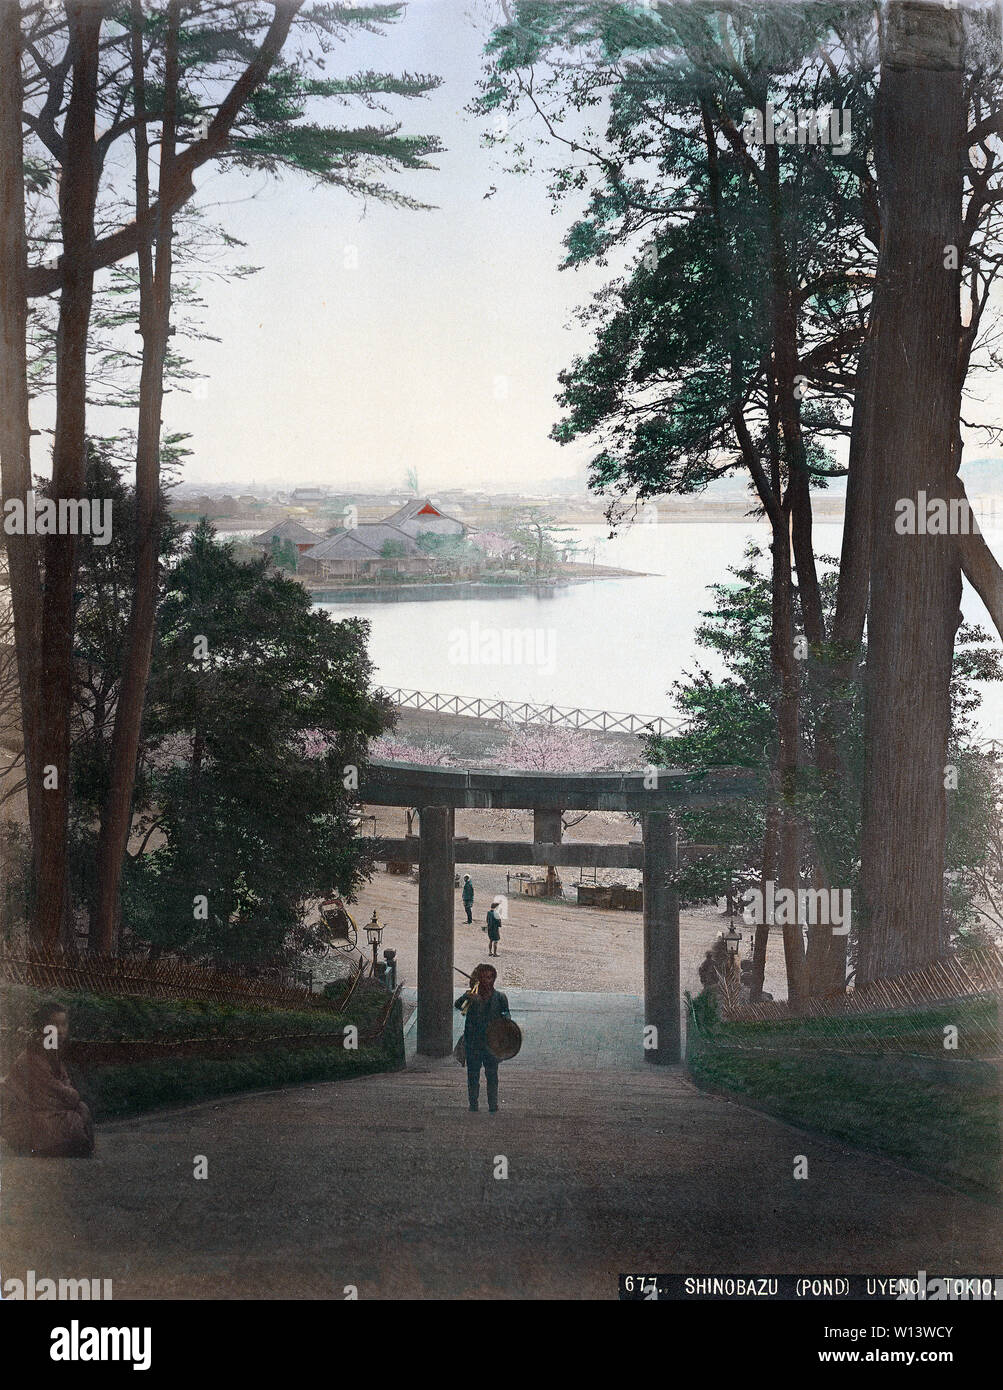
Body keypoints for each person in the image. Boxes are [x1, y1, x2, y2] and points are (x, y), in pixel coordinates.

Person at [0, 1002, 94, 1157]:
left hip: (44, 1111)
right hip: (22, 1117)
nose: (59, 1031)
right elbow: (47, 1094)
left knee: (82, 1111)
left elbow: (64, 1084)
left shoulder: (52, 1052)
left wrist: (70, 1097)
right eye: (54, 1025)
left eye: (63, 1024)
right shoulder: (34, 1054)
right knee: (74, 1121)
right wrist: (72, 1097)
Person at [455, 964, 510, 1112]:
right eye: (484, 977)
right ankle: (473, 1104)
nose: (487, 980)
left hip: (491, 1043)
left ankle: (493, 1104)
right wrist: (466, 996)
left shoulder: (500, 997)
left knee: (492, 1075)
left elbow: (506, 1016)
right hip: (473, 1042)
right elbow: (458, 1005)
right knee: (473, 1075)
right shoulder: (471, 997)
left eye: (490, 977)